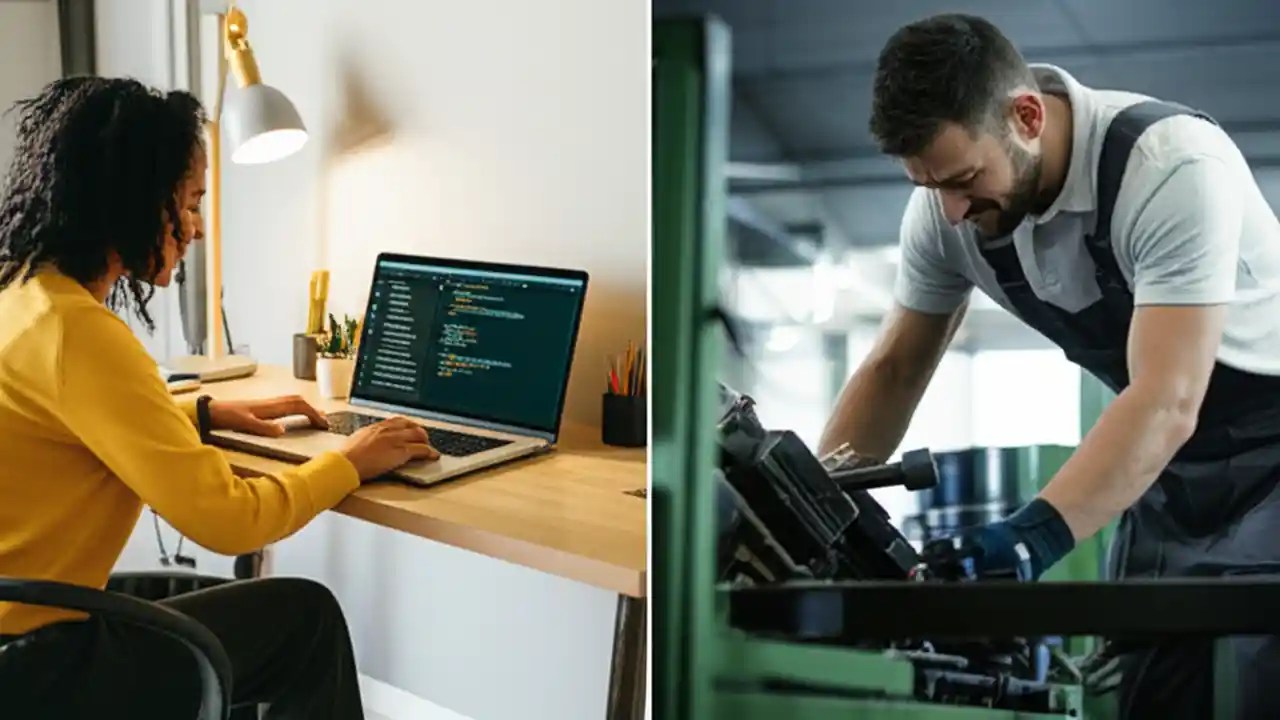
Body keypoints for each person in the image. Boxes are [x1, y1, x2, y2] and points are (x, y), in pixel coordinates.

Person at [819, 13, 1280, 719]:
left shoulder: (1170, 165)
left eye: (964, 179)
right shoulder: (949, 212)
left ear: (1026, 116)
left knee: (1257, 679)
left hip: (1267, 457)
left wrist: (1029, 538)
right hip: (1168, 478)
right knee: (1152, 695)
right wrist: (814, 509)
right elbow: (893, 372)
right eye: (928, 185)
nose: (948, 212)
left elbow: (1166, 399)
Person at [0, 77, 438, 719]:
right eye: (192, 201)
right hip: (42, 671)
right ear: (137, 199)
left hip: (15, 642)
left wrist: (199, 414)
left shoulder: (24, 299)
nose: (199, 227)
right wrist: (348, 463)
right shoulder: (80, 333)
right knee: (304, 620)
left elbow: (63, 430)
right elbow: (230, 522)